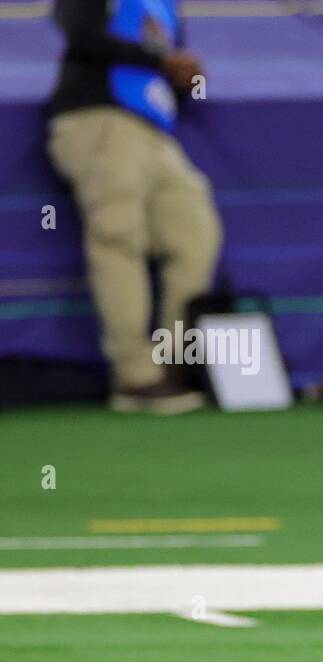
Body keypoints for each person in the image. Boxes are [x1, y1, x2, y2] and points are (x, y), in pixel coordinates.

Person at [46, 0, 221, 414]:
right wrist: (161, 61)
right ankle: (135, 377)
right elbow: (81, 34)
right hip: (99, 118)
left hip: (156, 132)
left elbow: (170, 69)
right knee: (118, 237)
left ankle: (172, 362)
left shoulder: (166, 6)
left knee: (195, 238)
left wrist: (187, 79)